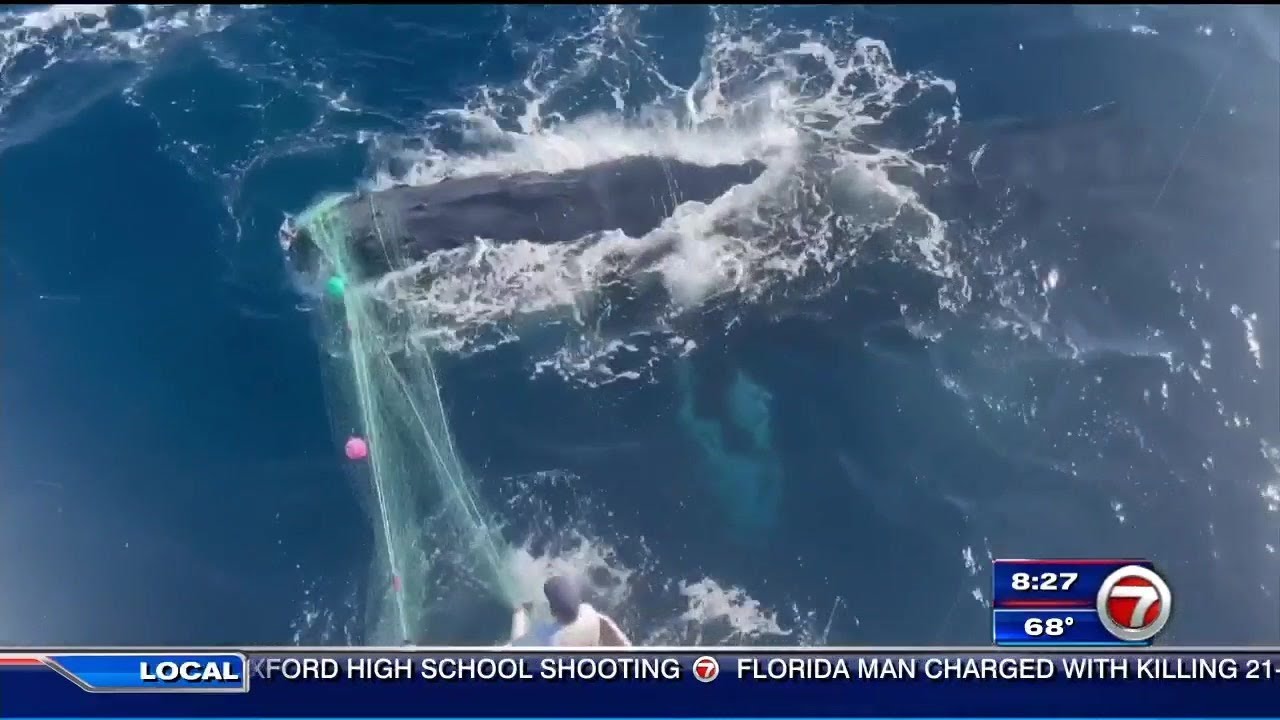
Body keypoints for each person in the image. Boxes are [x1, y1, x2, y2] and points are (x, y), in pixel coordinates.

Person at [506, 576, 631, 647]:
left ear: (553, 611)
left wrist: (519, 612)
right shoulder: (589, 612)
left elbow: (516, 647)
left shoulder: (546, 637)